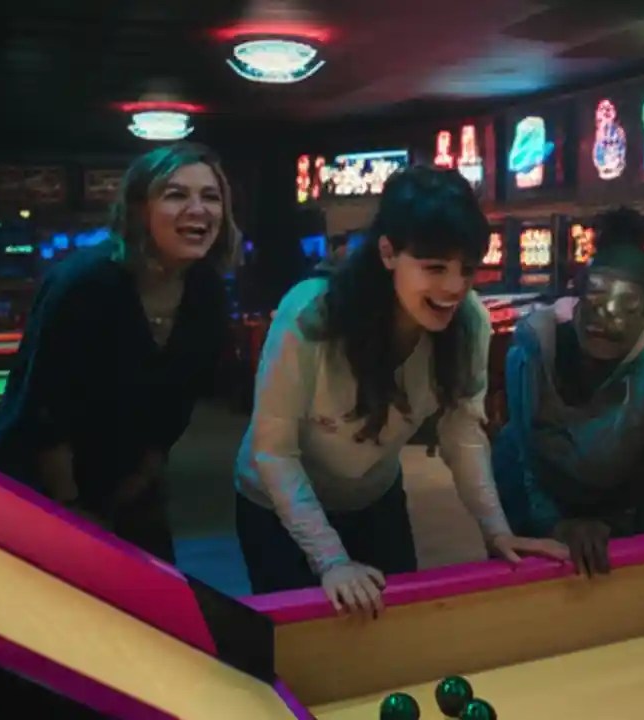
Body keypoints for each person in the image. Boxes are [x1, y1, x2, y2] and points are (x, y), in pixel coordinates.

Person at [235, 166, 566, 613]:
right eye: (434, 267)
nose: (454, 287)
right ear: (388, 252)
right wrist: (331, 559)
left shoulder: (469, 321)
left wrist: (496, 530)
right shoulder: (311, 314)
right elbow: (273, 453)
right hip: (275, 504)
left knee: (396, 625)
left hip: (373, 497)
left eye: (466, 269)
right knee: (302, 642)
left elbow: (462, 432)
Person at [0, 142, 237, 562]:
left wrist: (139, 482)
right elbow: (47, 415)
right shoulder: (84, 283)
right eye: (176, 194)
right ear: (139, 210)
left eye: (210, 196)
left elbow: (178, 404)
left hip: (129, 482)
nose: (198, 209)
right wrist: (72, 507)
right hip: (37, 484)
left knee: (154, 607)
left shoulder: (205, 290)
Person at [492, 207, 644, 576]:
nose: (606, 318)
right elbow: (525, 453)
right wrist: (554, 524)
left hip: (642, 520)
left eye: (626, 305)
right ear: (577, 299)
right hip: (531, 512)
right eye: (595, 297)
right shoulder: (532, 353)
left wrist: (625, 535)